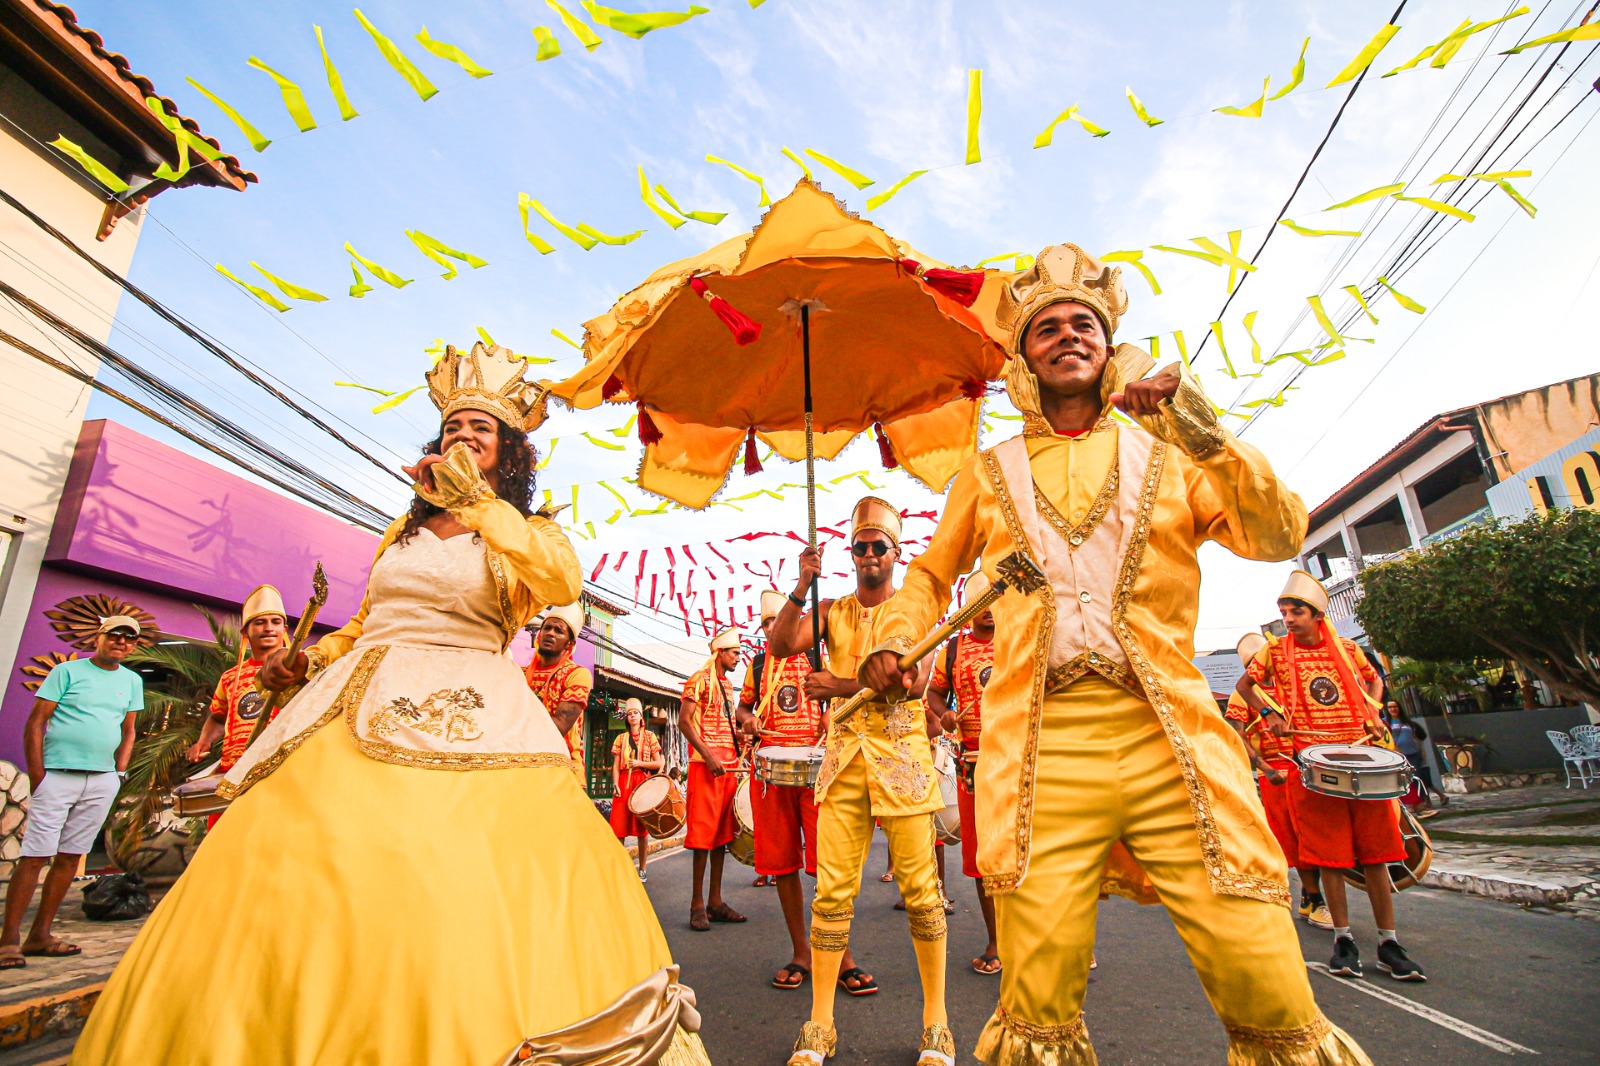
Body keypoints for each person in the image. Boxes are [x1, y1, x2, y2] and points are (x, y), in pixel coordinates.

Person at [70, 341, 708, 1064]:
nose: (462, 438)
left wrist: (478, 504)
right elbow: (365, 624)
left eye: (481, 430)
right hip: (353, 699)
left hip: (475, 705)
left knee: (437, 865)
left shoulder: (530, 531)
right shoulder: (400, 534)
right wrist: (305, 660)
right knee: (298, 856)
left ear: (510, 453)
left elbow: (561, 582)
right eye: (453, 429)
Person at [861, 244, 1374, 1065]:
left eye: (1084, 324)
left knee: (1266, 973)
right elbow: (927, 576)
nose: (1067, 335)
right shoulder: (986, 473)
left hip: (1171, 737)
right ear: (1023, 358)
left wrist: (1195, 420)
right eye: (1047, 328)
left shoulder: (1171, 450)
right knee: (1037, 1004)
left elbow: (1278, 531)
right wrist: (893, 640)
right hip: (1040, 747)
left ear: (1109, 345)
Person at [767, 497, 950, 1066]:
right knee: (832, 895)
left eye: (879, 547)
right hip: (844, 763)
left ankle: (936, 1025)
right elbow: (779, 646)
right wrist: (801, 586)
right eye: (860, 547)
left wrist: (839, 686)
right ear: (850, 555)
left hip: (902, 762)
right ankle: (819, 1024)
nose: (869, 555)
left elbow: (910, 687)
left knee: (922, 893)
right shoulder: (832, 608)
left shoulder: (918, 613)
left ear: (896, 554)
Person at [1240, 572, 1427, 984]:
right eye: (1284, 612)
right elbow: (1245, 686)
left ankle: (1388, 942)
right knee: (1328, 858)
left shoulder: (1346, 649)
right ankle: (1343, 939)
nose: (1288, 619)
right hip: (1311, 765)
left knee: (1377, 855)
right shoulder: (1272, 653)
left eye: (1296, 612)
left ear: (1317, 615)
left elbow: (1375, 679)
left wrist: (1372, 710)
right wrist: (1271, 716)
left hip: (1360, 757)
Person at [1, 616, 141, 970]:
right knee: (34, 856)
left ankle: (41, 935)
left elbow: (128, 731)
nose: (121, 642)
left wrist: (118, 772)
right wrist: (38, 775)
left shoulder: (132, 681)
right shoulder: (67, 673)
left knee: (69, 856)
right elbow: (36, 722)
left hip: (102, 780)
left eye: (129, 638)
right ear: (99, 638)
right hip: (57, 776)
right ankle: (9, 940)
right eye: (115, 635)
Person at [923, 571, 1001, 975]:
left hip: (1022, 761)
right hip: (973, 762)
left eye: (993, 604)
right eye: (979, 607)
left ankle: (1057, 940)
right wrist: (945, 712)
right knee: (982, 858)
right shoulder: (952, 650)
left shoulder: (1019, 638)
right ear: (967, 611)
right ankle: (996, 940)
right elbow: (935, 693)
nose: (988, 613)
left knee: (1036, 853)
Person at [1226, 632, 1329, 930]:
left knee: (1315, 834)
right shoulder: (1242, 695)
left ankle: (1312, 896)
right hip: (1276, 776)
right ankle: (1316, 899)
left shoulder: (1288, 688)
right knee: (1294, 838)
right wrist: (1265, 767)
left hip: (1305, 768)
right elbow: (1237, 736)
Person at [185, 585, 289, 828]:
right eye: (260, 622)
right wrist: (203, 742)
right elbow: (219, 717)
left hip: (281, 768)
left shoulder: (299, 670)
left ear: (284, 630)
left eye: (275, 622)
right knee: (224, 836)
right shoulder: (230, 677)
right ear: (245, 631)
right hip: (233, 769)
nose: (268, 628)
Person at [680, 627, 748, 932]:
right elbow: (684, 721)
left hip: (729, 767)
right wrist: (708, 755)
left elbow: (726, 725)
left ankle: (715, 901)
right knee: (702, 838)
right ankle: (696, 903)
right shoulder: (700, 678)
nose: (737, 657)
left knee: (721, 836)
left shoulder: (727, 684)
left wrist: (744, 739)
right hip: (705, 766)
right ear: (720, 652)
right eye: (734, 652)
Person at [524, 602, 594, 774]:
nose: (550, 633)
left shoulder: (577, 674)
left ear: (569, 643)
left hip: (563, 768)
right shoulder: (519, 673)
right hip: (522, 766)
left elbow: (559, 726)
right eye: (547, 628)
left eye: (558, 631)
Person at [610, 698, 665, 881]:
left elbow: (657, 762)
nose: (632, 716)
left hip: (641, 781)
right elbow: (616, 765)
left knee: (641, 828)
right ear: (626, 718)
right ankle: (619, 868)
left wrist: (639, 763)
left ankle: (642, 868)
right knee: (619, 827)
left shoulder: (650, 736)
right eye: (629, 714)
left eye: (635, 713)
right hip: (624, 780)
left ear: (641, 717)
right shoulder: (621, 738)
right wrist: (615, 783)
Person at [1384, 700, 1439, 807]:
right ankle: (1412, 804)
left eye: (1395, 706)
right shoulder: (1385, 722)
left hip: (1413, 753)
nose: (1393, 709)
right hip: (1399, 755)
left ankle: (1422, 802)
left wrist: (1422, 750)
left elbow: (1416, 737)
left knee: (1417, 778)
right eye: (1390, 707)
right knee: (1405, 780)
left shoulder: (1407, 722)